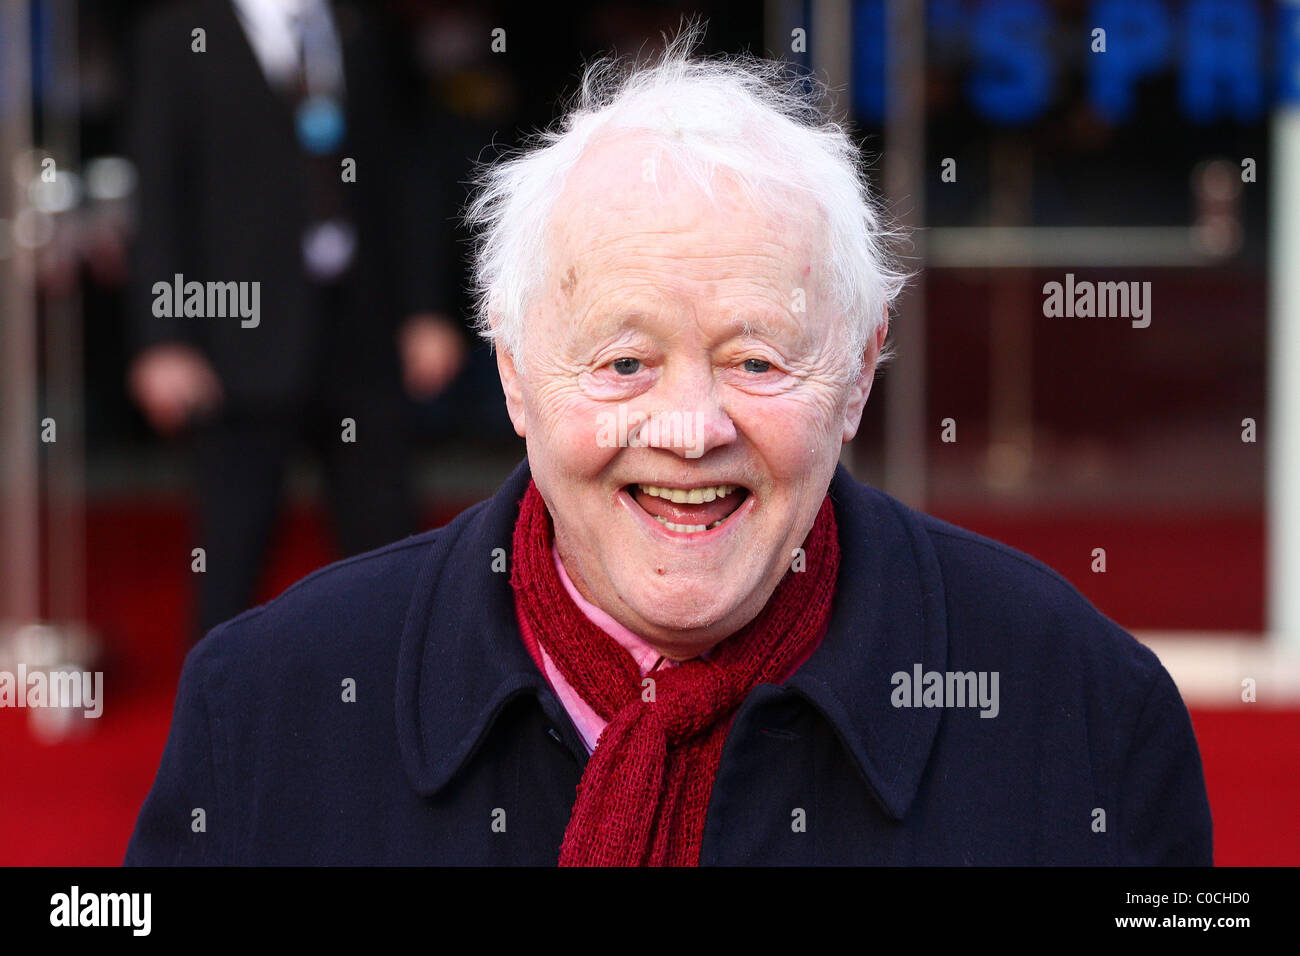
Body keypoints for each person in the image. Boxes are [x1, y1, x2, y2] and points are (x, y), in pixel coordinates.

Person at [125, 34, 1213, 866]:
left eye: (755, 362)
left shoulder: (1082, 709)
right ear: (511, 372)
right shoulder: (267, 712)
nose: (690, 431)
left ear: (859, 368)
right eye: (623, 362)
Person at [125, 0, 467, 643]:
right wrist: (164, 339)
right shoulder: (177, 39)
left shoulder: (363, 28)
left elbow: (404, 176)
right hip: (234, 338)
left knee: (392, 548)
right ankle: (219, 729)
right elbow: (159, 196)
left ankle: (403, 719)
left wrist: (424, 308)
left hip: (362, 332)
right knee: (231, 551)